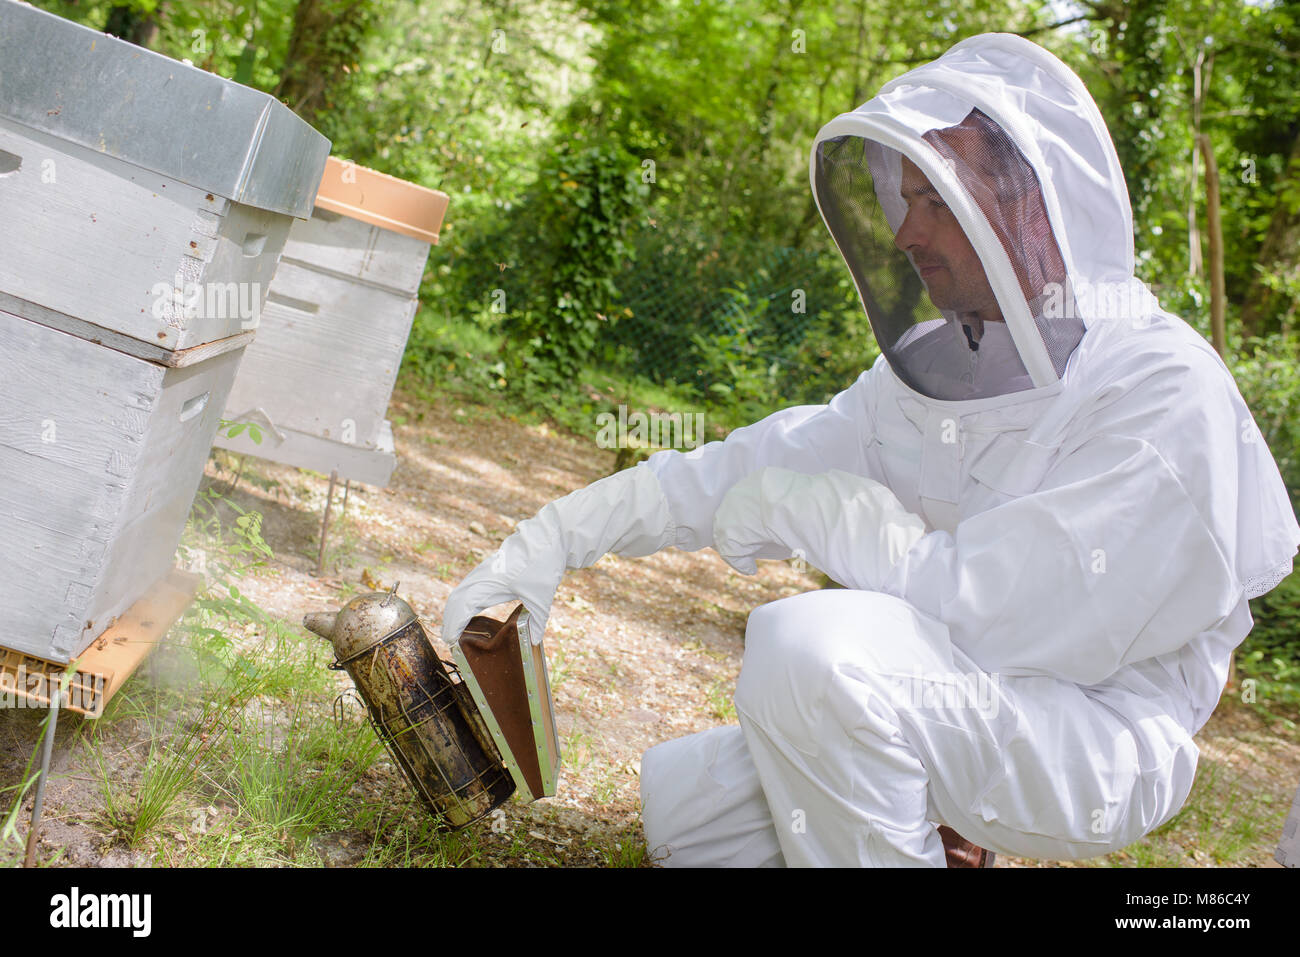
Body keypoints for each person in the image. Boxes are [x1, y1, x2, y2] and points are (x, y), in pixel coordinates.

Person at [441, 32, 1300, 867]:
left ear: (1027, 204)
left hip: (1099, 732)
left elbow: (1002, 616)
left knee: (811, 652)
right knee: (685, 824)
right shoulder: (944, 363)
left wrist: (822, 513)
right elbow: (740, 467)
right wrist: (545, 545)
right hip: (967, 698)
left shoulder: (1161, 390)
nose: (904, 234)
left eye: (936, 201)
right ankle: (936, 826)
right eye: (904, 198)